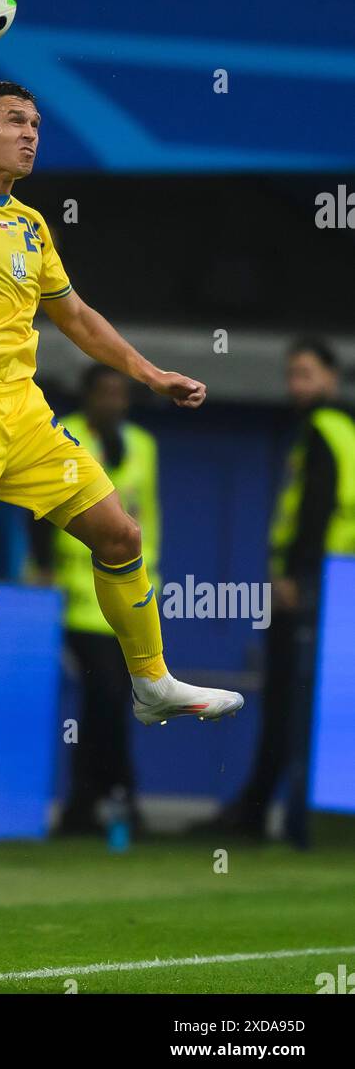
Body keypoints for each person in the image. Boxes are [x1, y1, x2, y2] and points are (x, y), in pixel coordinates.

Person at [0, 80, 244, 727]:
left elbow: (78, 318)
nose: (32, 132)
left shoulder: (32, 226)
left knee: (121, 534)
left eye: (37, 122)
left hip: (26, 416)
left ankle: (151, 683)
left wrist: (152, 374)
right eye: (16, 120)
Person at [201, 338, 355, 840]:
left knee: (291, 699)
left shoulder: (323, 432)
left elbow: (315, 508)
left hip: (311, 584)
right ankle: (274, 811)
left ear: (332, 378)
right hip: (331, 583)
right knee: (299, 700)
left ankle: (273, 816)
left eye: (307, 374)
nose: (296, 385)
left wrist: (291, 574)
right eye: (291, 375)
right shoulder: (336, 431)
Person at [41, 366, 161, 835]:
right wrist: (43, 566)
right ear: (87, 397)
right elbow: (41, 507)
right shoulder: (59, 435)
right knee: (108, 697)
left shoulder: (144, 447)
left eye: (121, 393)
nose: (114, 402)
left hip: (130, 598)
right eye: (105, 393)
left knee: (109, 703)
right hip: (80, 599)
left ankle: (86, 805)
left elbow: (148, 517)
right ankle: (121, 799)